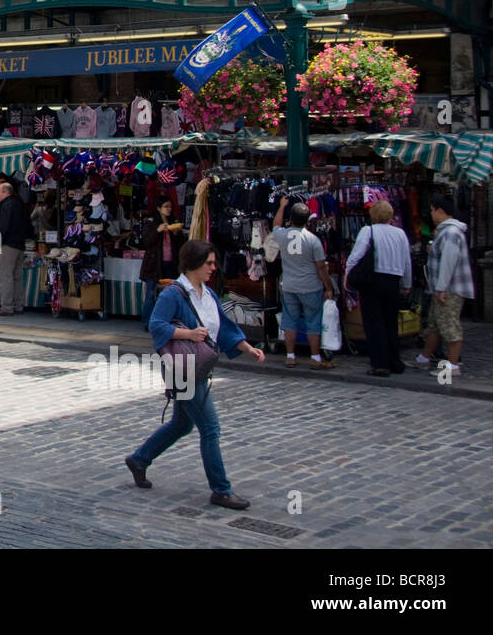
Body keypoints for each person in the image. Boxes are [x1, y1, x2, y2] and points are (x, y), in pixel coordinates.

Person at [125, 240, 266, 509]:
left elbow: (223, 328)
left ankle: (139, 459)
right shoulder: (173, 294)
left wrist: (248, 348)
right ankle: (221, 490)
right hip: (183, 370)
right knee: (210, 429)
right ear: (192, 264)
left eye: (214, 263)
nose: (213, 268)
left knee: (182, 424)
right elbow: (156, 326)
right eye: (208, 263)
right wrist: (187, 334)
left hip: (197, 367)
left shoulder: (208, 293)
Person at [344, 200, 412, 377]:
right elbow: (406, 261)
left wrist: (347, 275)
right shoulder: (400, 234)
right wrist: (407, 283)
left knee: (374, 323)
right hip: (393, 280)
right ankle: (394, 360)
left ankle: (380, 363)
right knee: (391, 322)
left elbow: (356, 255)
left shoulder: (368, 231)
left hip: (373, 279)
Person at [272, 198, 338, 369]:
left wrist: (281, 206)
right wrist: (328, 287)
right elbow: (321, 268)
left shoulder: (283, 235)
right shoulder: (313, 240)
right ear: (308, 220)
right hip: (310, 286)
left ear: (291, 218)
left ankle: (290, 355)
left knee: (289, 320)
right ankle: (315, 357)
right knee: (313, 321)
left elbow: (275, 225)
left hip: (289, 285)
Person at [418, 195, 473, 377]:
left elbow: (448, 261)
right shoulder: (447, 232)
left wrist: (441, 288)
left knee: (449, 326)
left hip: (449, 289)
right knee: (435, 324)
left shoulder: (450, 233)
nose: (431, 214)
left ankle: (453, 365)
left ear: (440, 211)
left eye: (432, 210)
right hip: (442, 289)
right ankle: (424, 358)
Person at [139, 197, 185, 329]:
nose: (169, 209)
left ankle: (167, 320)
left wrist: (177, 233)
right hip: (154, 264)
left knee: (171, 294)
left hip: (170, 263)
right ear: (159, 208)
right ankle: (147, 322)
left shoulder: (173, 221)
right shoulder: (151, 222)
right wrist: (158, 231)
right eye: (166, 207)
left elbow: (181, 244)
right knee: (151, 295)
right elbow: (146, 242)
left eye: (170, 206)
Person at [0, 180, 30, 316]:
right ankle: (18, 305)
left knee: (5, 276)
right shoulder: (19, 203)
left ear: (5, 192)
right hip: (20, 244)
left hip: (8, 244)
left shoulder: (7, 205)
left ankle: (7, 307)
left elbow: (3, 226)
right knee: (17, 276)